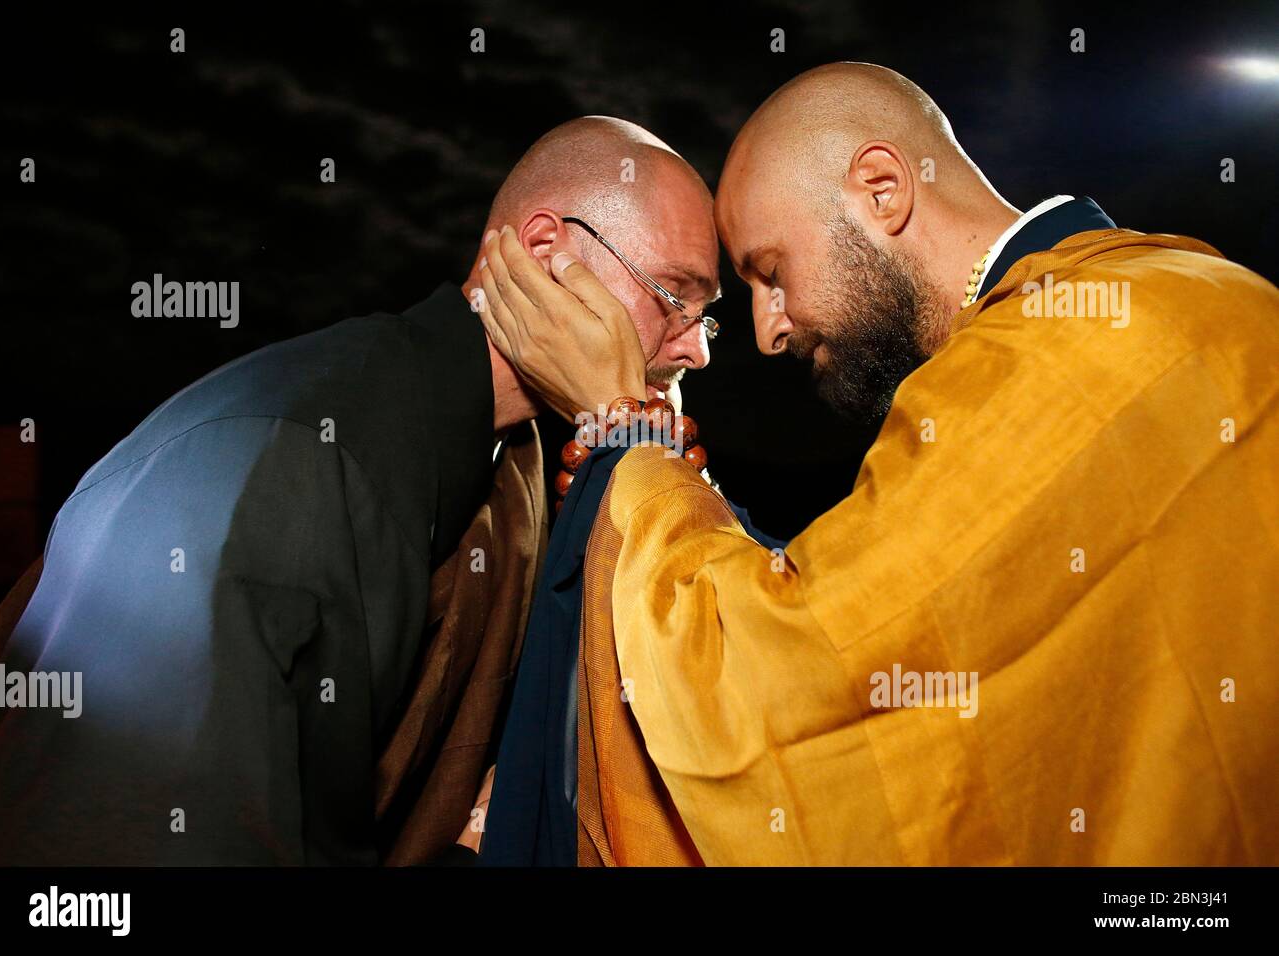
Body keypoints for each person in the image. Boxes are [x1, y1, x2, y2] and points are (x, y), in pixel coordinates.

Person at [474, 64, 1279, 865]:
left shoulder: (1044, 358)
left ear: (883, 190)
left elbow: (792, 687)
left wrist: (626, 432)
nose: (766, 332)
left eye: (771, 273)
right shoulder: (1203, 295)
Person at [0, 116, 721, 865]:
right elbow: (123, 827)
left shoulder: (522, 454)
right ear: (542, 251)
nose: (694, 347)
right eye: (674, 296)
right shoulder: (279, 451)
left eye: (706, 317)